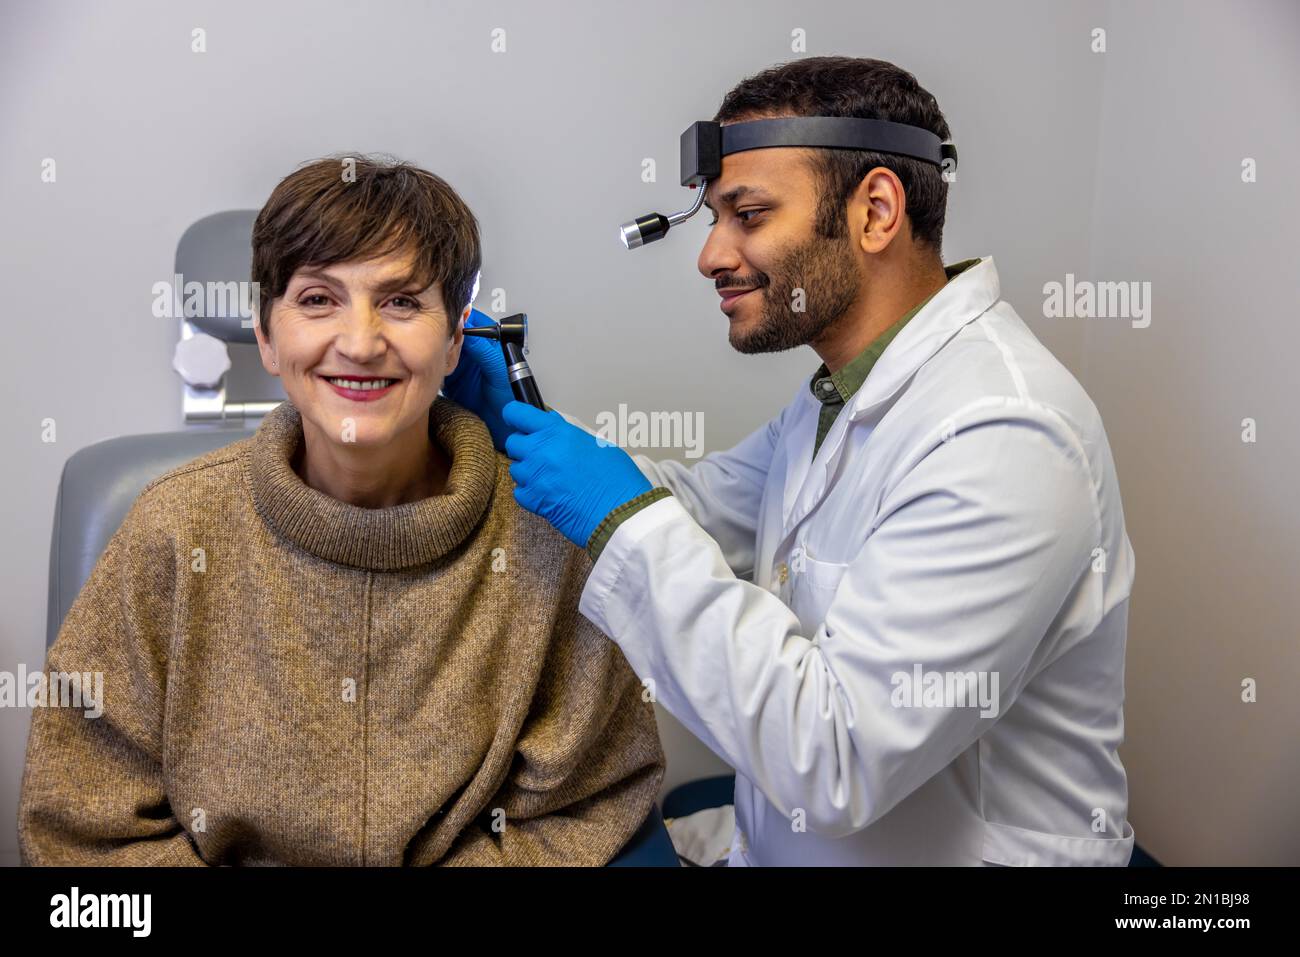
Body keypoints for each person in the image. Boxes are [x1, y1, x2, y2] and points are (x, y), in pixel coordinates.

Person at [446, 57, 1137, 866]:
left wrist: (614, 516)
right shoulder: (843, 392)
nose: (711, 255)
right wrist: (523, 423)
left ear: (876, 210)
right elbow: (693, 511)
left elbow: (836, 757)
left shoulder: (1006, 434)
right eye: (713, 219)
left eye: (748, 214)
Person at [18, 154, 664, 866]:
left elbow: (591, 801)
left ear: (456, 341)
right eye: (318, 299)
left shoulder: (544, 535)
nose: (359, 343)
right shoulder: (173, 529)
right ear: (266, 336)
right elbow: (81, 825)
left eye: (401, 301)